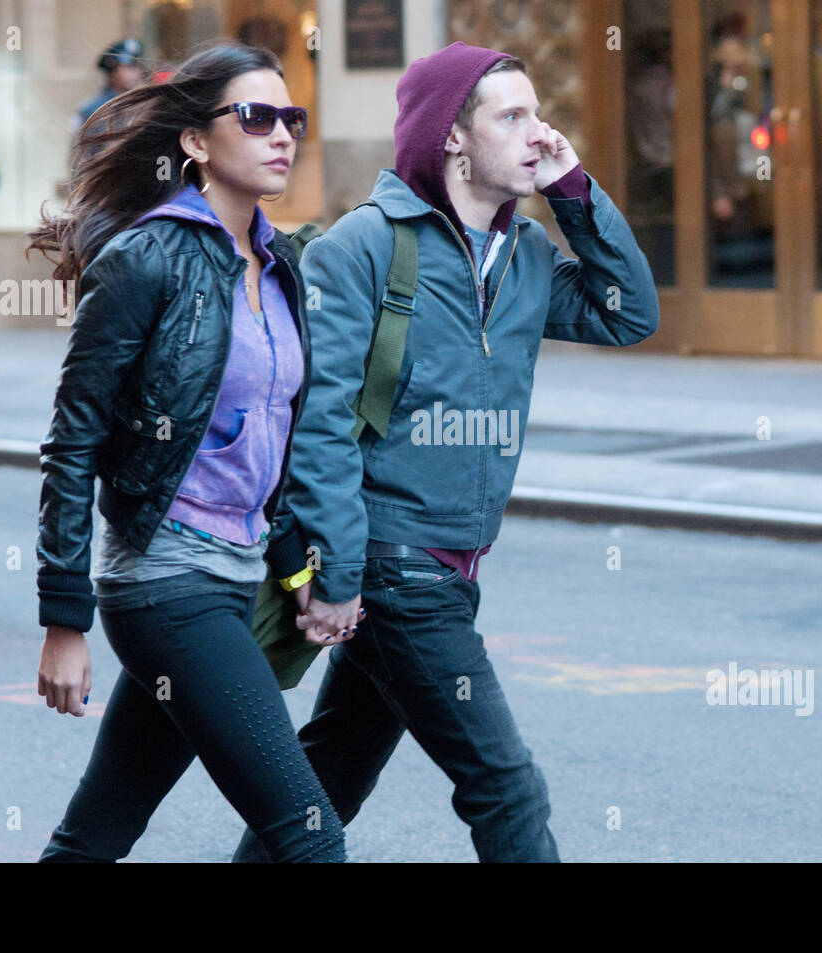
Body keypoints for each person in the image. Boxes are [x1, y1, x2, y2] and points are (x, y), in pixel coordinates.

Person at [233, 41, 659, 863]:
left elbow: (627, 312)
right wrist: (339, 576)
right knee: (506, 787)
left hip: (453, 564)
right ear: (452, 139)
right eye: (513, 115)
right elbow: (318, 421)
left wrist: (573, 191)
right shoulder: (362, 247)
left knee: (329, 776)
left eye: (539, 113)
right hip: (396, 566)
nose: (538, 131)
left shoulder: (526, 255)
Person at [28, 42, 348, 863]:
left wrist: (297, 570)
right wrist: (66, 617)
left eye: (292, 118)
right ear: (198, 141)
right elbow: (72, 441)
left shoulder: (280, 267)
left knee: (95, 835)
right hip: (165, 582)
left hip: (234, 579)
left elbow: (259, 444)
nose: (281, 134)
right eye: (255, 116)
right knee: (311, 837)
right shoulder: (148, 259)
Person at [71, 37, 145, 138]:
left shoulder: (143, 104)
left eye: (138, 65)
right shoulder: (94, 110)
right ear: (112, 71)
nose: (136, 72)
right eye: (129, 66)